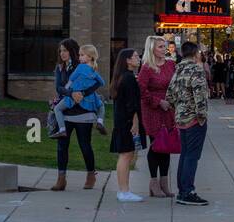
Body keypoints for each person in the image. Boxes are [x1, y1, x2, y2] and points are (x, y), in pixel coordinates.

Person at [48, 44, 105, 192]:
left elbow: (94, 85)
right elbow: (59, 87)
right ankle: (61, 179)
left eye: (65, 50)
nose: (62, 53)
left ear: (72, 52)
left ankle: (91, 175)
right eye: (60, 50)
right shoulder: (60, 68)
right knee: (62, 147)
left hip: (83, 112)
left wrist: (83, 94)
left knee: (85, 145)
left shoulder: (83, 66)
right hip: (66, 112)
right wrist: (71, 94)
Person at [164, 40, 210, 206]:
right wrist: (202, 116)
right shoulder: (196, 70)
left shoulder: (177, 70)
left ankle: (182, 190)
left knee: (185, 155)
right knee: (192, 156)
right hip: (194, 119)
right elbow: (200, 95)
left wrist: (179, 108)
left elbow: (169, 96)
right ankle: (187, 192)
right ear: (196, 53)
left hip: (181, 118)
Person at [138, 34, 178, 198]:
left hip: (168, 109)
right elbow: (141, 90)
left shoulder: (171, 65)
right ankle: (153, 183)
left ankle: (164, 183)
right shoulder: (146, 67)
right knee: (156, 145)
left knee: (166, 145)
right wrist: (157, 101)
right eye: (160, 46)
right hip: (152, 109)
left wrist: (172, 101)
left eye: (165, 46)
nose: (164, 49)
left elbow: (176, 85)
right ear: (152, 49)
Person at [108, 47, 144, 202]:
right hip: (127, 122)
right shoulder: (128, 78)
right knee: (126, 155)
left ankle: (124, 190)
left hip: (122, 121)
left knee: (126, 155)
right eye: (135, 56)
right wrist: (135, 123)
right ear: (128, 60)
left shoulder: (122, 77)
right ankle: (124, 191)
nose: (139, 58)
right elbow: (132, 104)